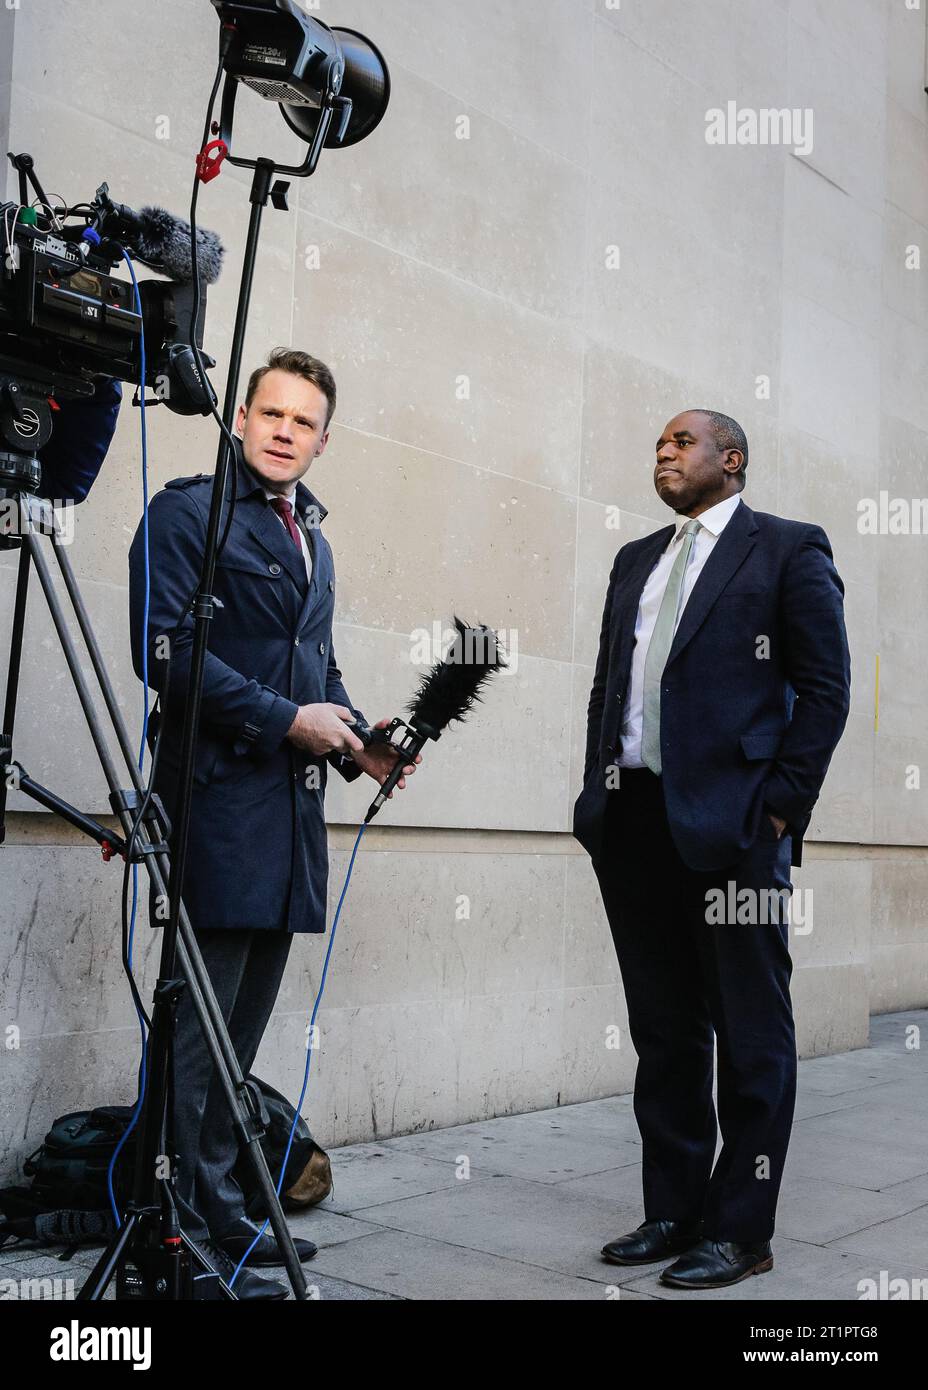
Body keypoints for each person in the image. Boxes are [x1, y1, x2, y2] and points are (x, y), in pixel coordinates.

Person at [128, 347, 420, 1299]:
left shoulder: (314, 541)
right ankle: (176, 1239)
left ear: (322, 440)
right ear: (241, 419)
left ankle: (224, 1218)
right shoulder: (184, 512)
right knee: (197, 1034)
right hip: (213, 808)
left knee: (239, 1038)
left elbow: (314, 671)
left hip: (289, 818)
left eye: (305, 422)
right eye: (272, 414)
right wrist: (285, 720)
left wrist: (355, 742)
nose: (286, 432)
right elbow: (163, 653)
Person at [573, 409, 850, 1290]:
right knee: (665, 1030)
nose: (664, 451)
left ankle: (741, 1230)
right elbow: (608, 687)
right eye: (656, 441)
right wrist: (595, 799)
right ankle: (675, 1209)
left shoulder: (788, 549)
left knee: (753, 1032)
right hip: (635, 825)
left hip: (737, 829)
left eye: (681, 442)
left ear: (731, 461)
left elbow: (825, 690)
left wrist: (777, 813)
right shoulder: (635, 561)